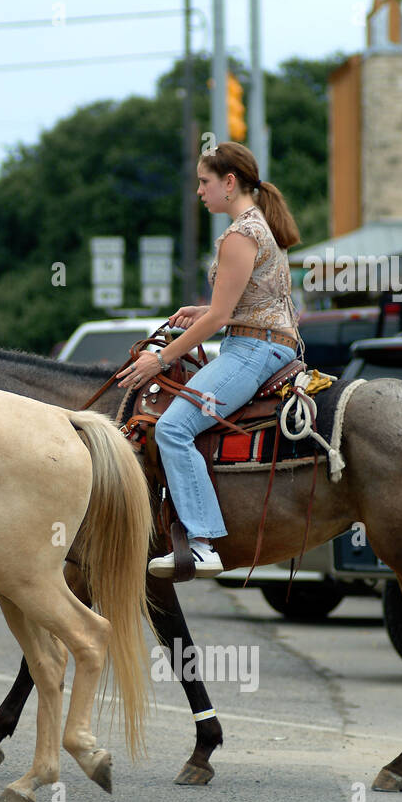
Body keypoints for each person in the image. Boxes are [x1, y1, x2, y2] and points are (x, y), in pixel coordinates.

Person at [116, 140, 301, 578]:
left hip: (255, 349)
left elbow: (221, 317)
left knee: (174, 428)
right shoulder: (260, 224)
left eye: (205, 182)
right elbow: (249, 302)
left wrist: (159, 361)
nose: (200, 191)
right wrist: (205, 312)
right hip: (266, 342)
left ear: (229, 182)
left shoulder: (240, 234)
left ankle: (202, 543)